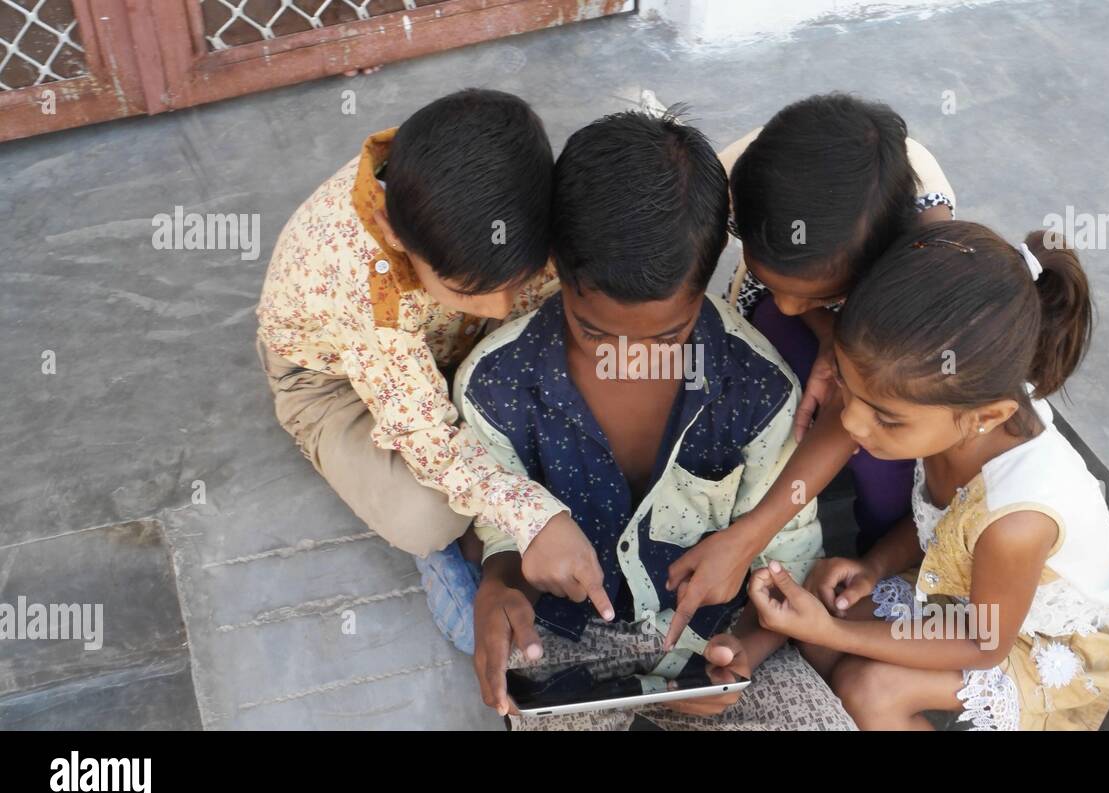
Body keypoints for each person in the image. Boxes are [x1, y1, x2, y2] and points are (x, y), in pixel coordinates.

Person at [453, 109, 856, 730]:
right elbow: (503, 527)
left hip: (715, 629)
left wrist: (743, 650)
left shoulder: (758, 386)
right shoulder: (496, 383)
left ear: (709, 283)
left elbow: (785, 560)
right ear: (556, 264)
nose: (628, 358)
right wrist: (496, 587)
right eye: (593, 331)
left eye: (669, 335)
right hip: (564, 633)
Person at [255, 89, 614, 655]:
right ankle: (460, 546)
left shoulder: (510, 209)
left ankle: (490, 502)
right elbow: (428, 440)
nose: (501, 306)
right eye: (470, 291)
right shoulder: (362, 276)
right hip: (338, 381)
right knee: (426, 516)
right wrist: (534, 519)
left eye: (516, 282)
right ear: (398, 240)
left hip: (450, 349)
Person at [747, 220, 1109, 730]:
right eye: (846, 388)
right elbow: (943, 523)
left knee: (870, 690)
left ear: (988, 416)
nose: (851, 423)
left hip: (1033, 641)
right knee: (827, 610)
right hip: (972, 599)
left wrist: (833, 633)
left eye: (884, 417)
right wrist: (873, 566)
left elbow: (982, 642)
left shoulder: (1017, 519)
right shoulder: (957, 419)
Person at [664, 94, 957, 647]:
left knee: (883, 463)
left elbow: (851, 418)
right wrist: (823, 328)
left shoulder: (922, 258)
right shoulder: (732, 178)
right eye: (774, 279)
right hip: (798, 309)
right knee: (765, 391)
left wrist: (748, 539)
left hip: (876, 323)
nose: (794, 304)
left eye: (815, 293)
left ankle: (871, 570)